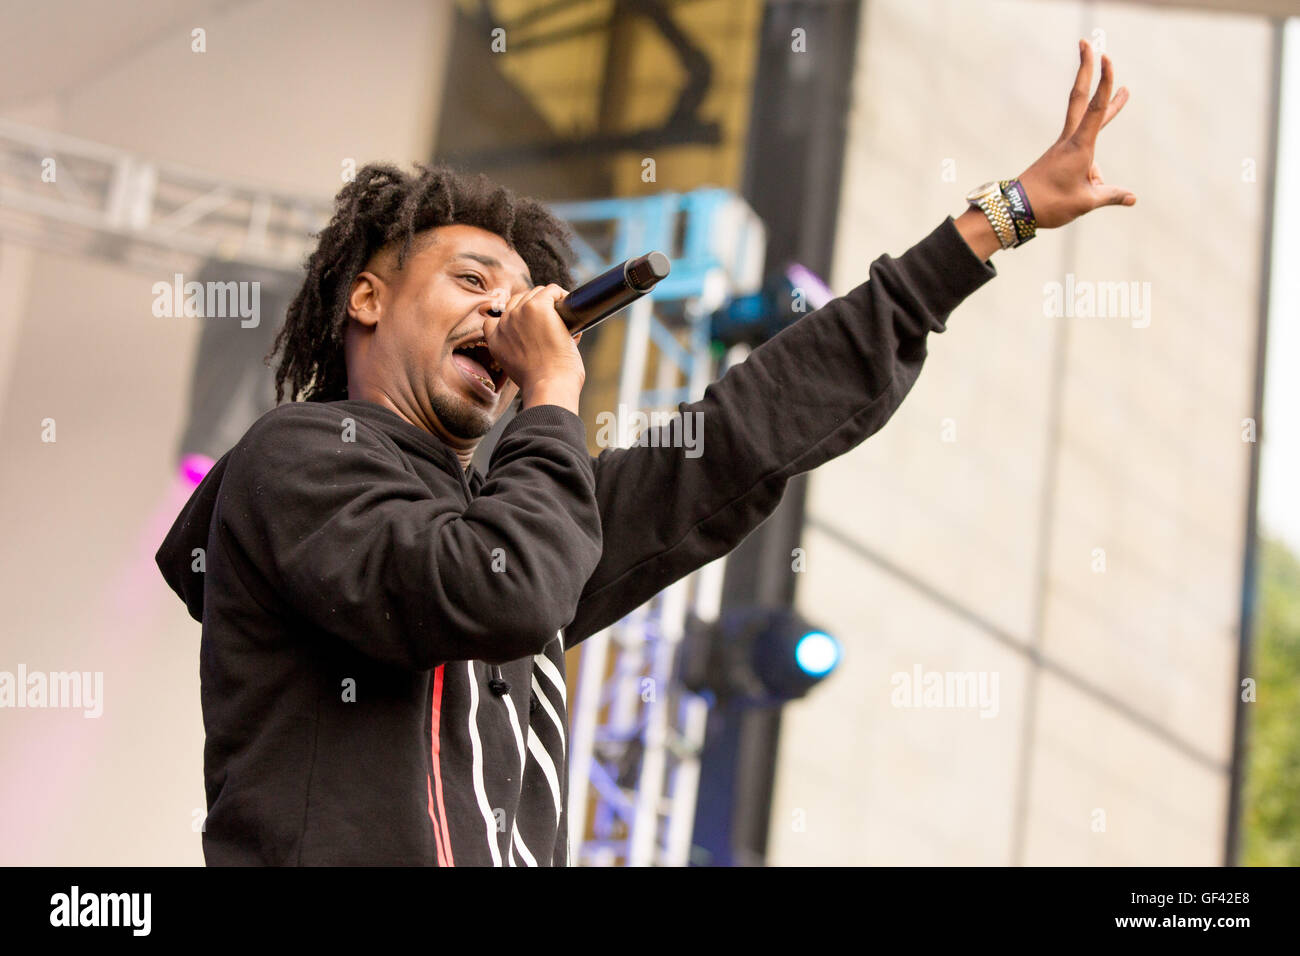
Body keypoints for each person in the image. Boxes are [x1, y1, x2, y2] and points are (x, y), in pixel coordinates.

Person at [156, 41, 1135, 865]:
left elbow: (743, 432)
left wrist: (986, 226)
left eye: (524, 293)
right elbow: (498, 588)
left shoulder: (520, 519)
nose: (506, 310)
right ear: (367, 297)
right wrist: (551, 393)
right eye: (471, 279)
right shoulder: (294, 458)